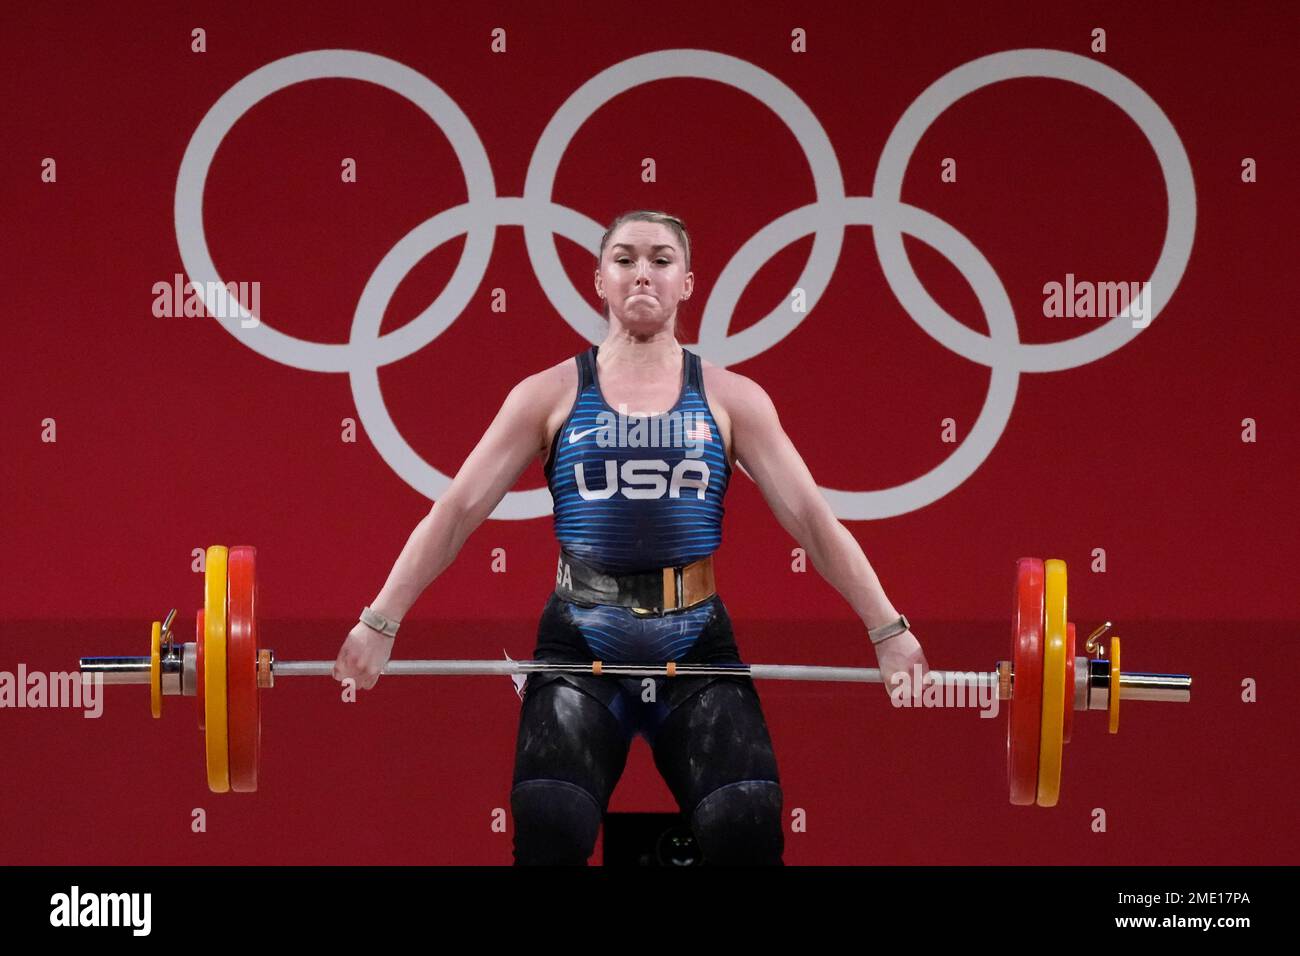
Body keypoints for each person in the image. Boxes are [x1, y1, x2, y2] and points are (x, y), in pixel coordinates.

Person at [333, 210, 928, 865]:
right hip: (580, 643)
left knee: (748, 828)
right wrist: (380, 620)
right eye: (624, 259)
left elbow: (814, 523)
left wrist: (888, 630)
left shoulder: (733, 398)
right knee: (550, 833)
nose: (642, 272)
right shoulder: (547, 395)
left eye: (660, 259)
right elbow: (455, 513)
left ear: (687, 283)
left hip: (697, 645)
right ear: (598, 280)